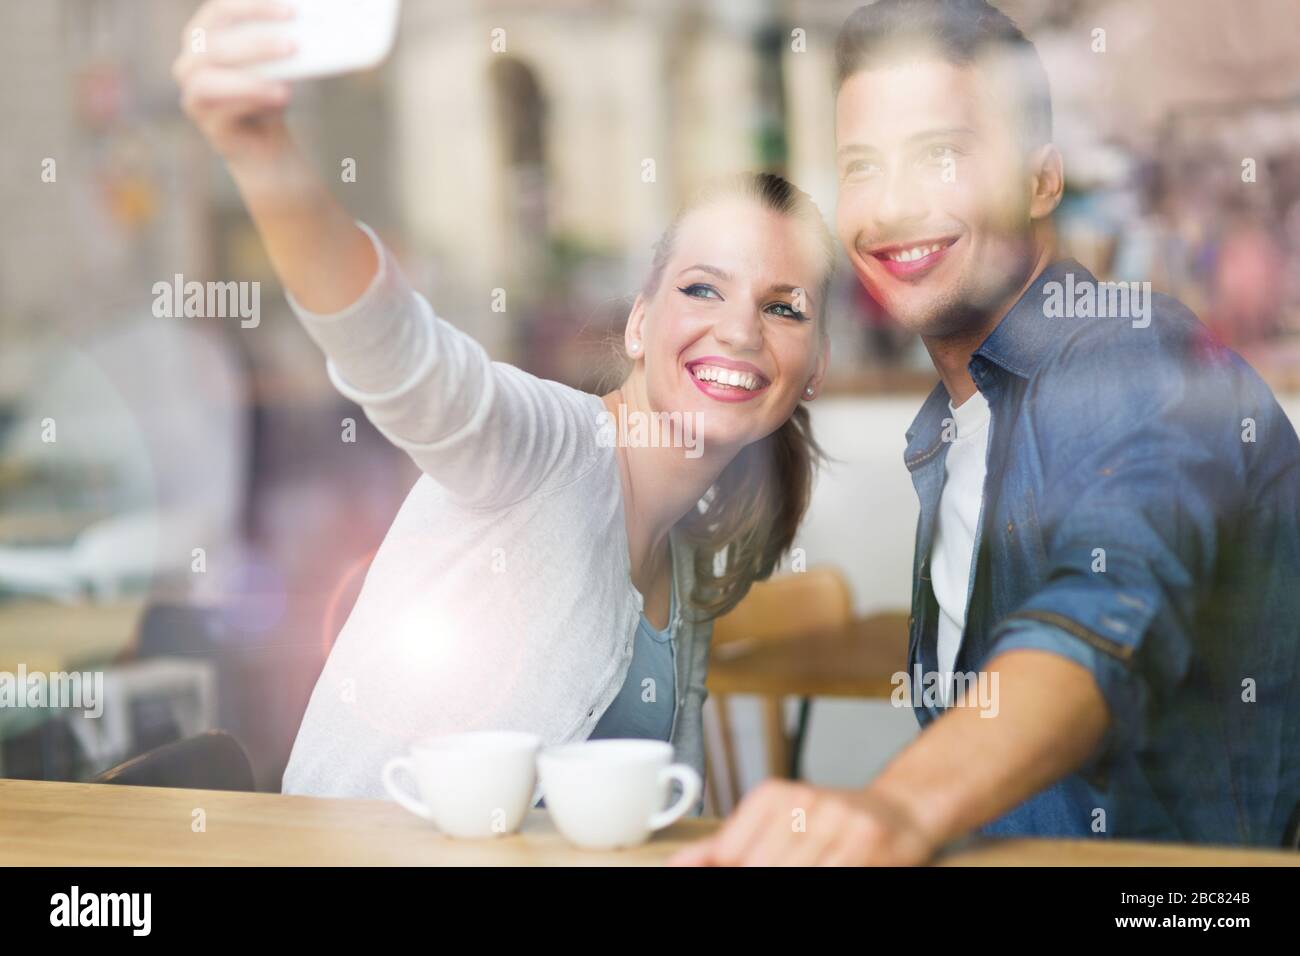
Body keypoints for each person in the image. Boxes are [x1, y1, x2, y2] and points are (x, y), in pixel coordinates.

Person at [675, 0, 1300, 864]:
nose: (893, 206)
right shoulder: (955, 424)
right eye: (863, 165)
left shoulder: (1131, 359)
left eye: (941, 155)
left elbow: (1102, 612)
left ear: (1043, 180)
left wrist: (896, 807)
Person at [172, 0, 836, 805]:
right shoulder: (545, 447)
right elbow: (399, 354)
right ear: (638, 324)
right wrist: (261, 151)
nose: (737, 329)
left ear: (817, 365)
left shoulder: (687, 558)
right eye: (702, 288)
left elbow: (665, 818)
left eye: (784, 306)